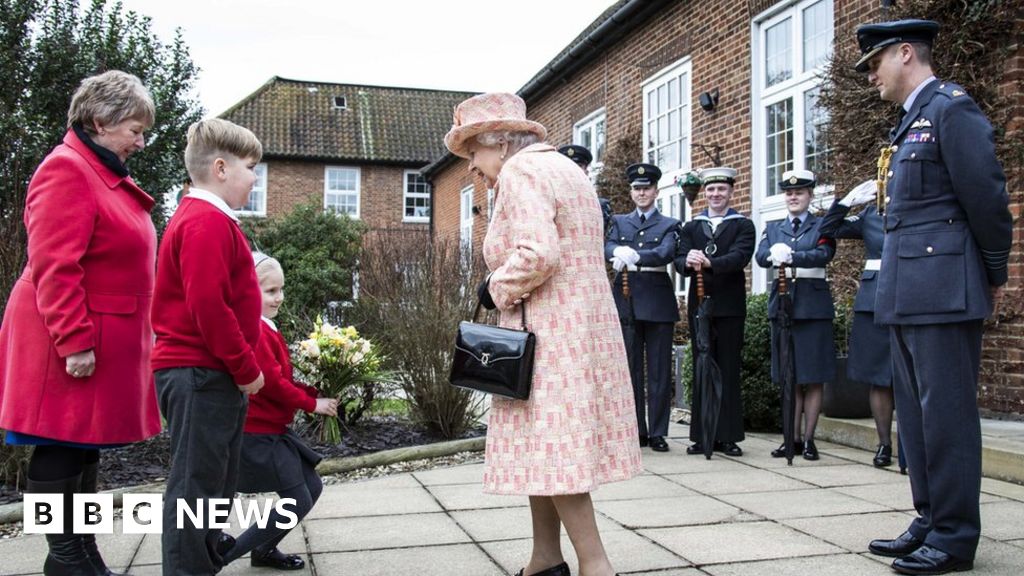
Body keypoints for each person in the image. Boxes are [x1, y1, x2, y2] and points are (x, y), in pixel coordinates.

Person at [446, 92, 641, 576]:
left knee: (559, 451)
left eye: (475, 152)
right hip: (580, 328)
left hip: (550, 332)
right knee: (546, 448)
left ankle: (597, 566)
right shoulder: (565, 169)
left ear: (499, 143)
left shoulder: (520, 172)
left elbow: (538, 254)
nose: (472, 166)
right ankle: (545, 558)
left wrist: (494, 287)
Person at [853, 19, 1013, 575]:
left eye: (875, 63)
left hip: (944, 287)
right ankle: (929, 517)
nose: (871, 75)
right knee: (916, 419)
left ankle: (954, 534)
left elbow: (987, 199)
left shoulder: (951, 109)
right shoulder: (909, 124)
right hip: (906, 288)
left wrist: (991, 270)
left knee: (945, 414)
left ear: (904, 54)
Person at [0, 70, 161, 575]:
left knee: (83, 450)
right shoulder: (67, 170)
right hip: (64, 337)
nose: (140, 140)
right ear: (100, 120)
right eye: (134, 129)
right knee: (58, 446)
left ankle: (80, 554)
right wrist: (73, 342)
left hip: (94, 334)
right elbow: (54, 265)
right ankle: (65, 558)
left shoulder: (99, 169)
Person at [152, 118, 266, 575]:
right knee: (194, 485)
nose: (255, 177)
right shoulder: (206, 222)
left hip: (208, 374)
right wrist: (245, 368)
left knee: (214, 483)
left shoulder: (210, 219)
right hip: (201, 373)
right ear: (220, 168)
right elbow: (208, 307)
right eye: (250, 167)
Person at [221, 253, 339, 571]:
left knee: (311, 486)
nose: (280, 297)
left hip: (272, 429)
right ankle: (218, 559)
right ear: (247, 290)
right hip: (257, 433)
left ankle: (263, 548)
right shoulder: (254, 330)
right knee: (298, 498)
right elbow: (271, 384)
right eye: (271, 291)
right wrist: (312, 404)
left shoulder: (266, 326)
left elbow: (282, 378)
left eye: (281, 289)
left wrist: (314, 392)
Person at [755, 169, 836, 461]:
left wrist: (793, 255)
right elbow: (761, 256)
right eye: (789, 193)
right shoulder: (774, 228)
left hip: (813, 307)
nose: (793, 197)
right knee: (789, 375)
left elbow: (824, 255)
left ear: (810, 195)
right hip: (784, 305)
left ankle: (810, 439)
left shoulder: (822, 225)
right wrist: (774, 253)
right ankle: (792, 438)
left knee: (812, 377)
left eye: (799, 192)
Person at [674, 167, 755, 457]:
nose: (716, 194)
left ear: (731, 192)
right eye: (711, 190)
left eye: (721, 189)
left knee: (728, 368)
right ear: (704, 193)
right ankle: (702, 435)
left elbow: (739, 257)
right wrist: (688, 259)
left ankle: (728, 436)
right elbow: (679, 259)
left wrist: (709, 262)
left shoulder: (743, 225)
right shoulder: (691, 227)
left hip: (730, 307)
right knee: (702, 368)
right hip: (701, 307)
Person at [818, 180, 898, 467]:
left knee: (914, 377)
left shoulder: (918, 208)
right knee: (879, 377)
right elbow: (826, 230)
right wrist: (844, 203)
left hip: (912, 296)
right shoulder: (870, 215)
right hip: (873, 301)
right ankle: (884, 444)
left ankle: (918, 445)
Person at [604, 162, 680, 453]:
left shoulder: (669, 224)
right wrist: (615, 251)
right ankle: (637, 430)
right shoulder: (620, 222)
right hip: (626, 301)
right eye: (637, 188)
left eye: (646, 188)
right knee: (630, 370)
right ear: (631, 191)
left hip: (658, 301)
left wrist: (634, 255)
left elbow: (666, 253)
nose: (641, 193)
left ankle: (659, 431)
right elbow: (606, 246)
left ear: (656, 191)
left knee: (659, 372)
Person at [558, 144, 612, 231]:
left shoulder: (601, 206)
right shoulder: (550, 203)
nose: (574, 170)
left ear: (586, 171)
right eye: (568, 166)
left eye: (579, 166)